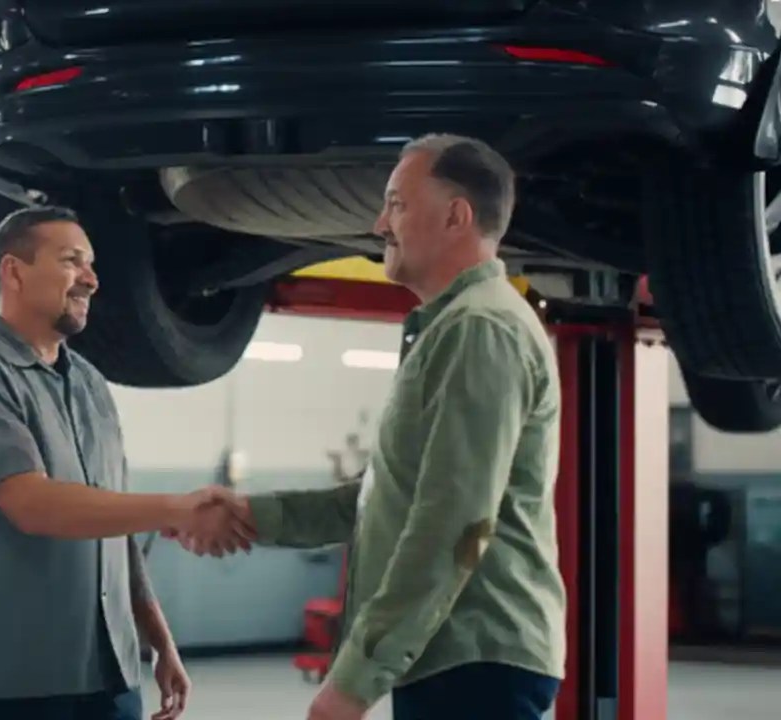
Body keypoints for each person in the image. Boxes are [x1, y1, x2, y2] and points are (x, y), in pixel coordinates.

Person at [173, 133, 567, 720]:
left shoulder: (481, 329)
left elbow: (453, 521)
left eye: (397, 204)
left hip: (474, 657)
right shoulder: (453, 328)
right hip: (456, 657)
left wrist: (355, 682)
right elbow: (384, 500)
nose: (380, 224)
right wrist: (252, 514)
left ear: (456, 216)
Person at [0, 206, 254, 720]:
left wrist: (158, 640)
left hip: (109, 678)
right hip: (2, 683)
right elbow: (34, 506)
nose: (92, 280)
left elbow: (115, 525)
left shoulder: (91, 384)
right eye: (72, 260)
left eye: (91, 264)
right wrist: (178, 508)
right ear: (14, 272)